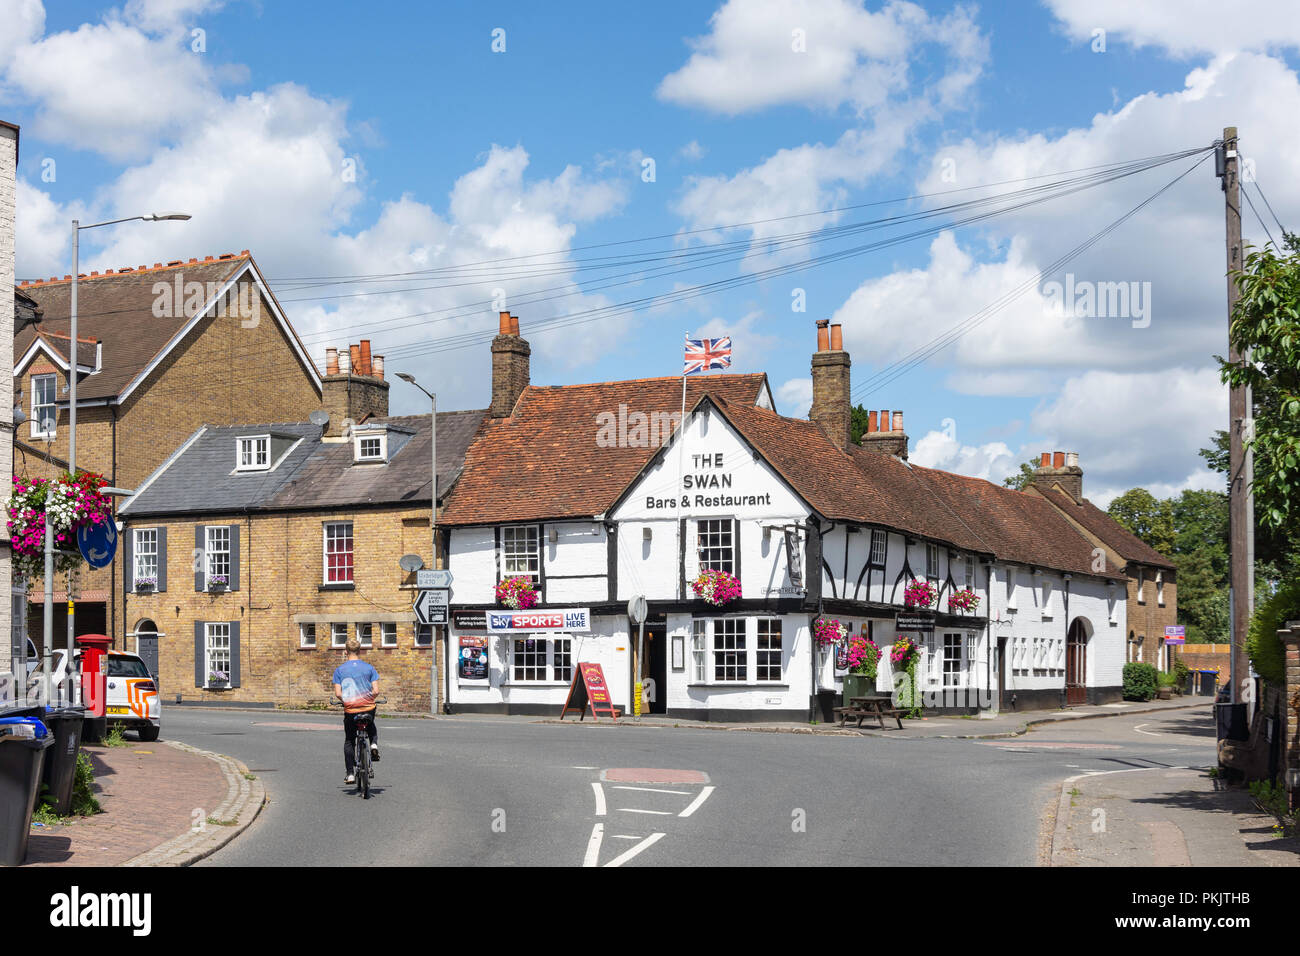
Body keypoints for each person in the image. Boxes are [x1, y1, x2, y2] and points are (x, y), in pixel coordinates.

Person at [332, 637, 381, 784]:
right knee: (370, 724)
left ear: (345, 652)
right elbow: (376, 691)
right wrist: (367, 698)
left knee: (349, 740)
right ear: (360, 651)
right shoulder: (369, 668)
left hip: (351, 709)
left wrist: (347, 701)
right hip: (367, 707)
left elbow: (338, 693)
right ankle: (373, 744)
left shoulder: (339, 670)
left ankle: (350, 774)